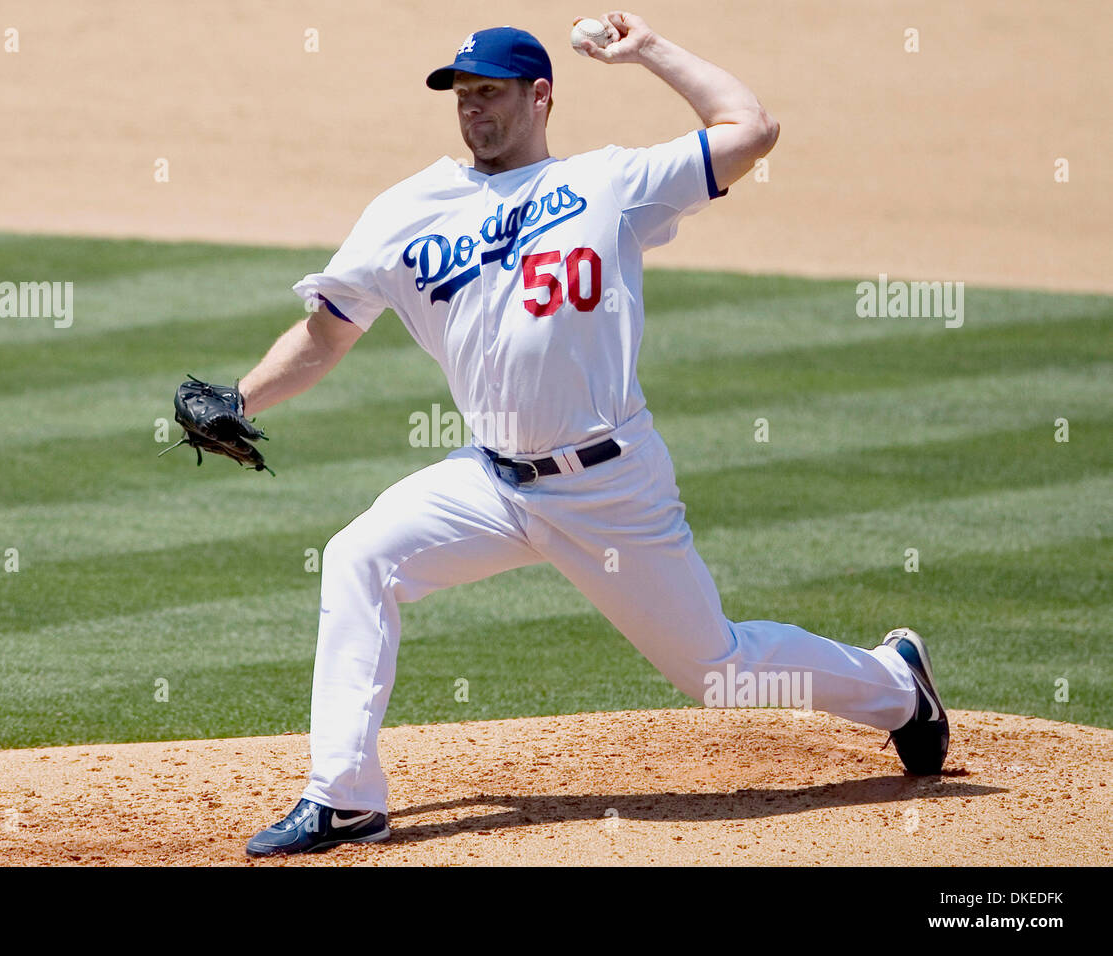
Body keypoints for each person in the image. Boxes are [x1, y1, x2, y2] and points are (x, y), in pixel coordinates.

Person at [238, 14, 949, 857]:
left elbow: (751, 130)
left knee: (716, 672)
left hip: (611, 486)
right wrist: (241, 401)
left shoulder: (613, 184)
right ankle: (345, 796)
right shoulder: (407, 209)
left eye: (490, 93)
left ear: (541, 97)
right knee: (360, 557)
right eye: (463, 95)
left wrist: (645, 50)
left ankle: (897, 684)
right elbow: (327, 331)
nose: (473, 110)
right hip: (491, 482)